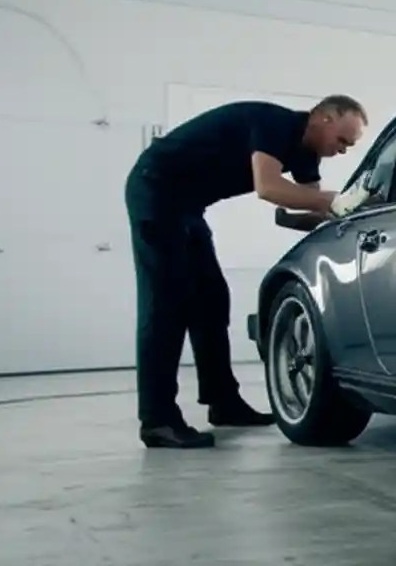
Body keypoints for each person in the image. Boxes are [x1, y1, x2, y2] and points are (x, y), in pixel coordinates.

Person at [124, 95, 373, 449]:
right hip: (155, 189)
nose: (344, 150)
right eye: (343, 141)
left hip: (189, 206)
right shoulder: (274, 122)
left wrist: (354, 212)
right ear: (324, 119)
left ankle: (223, 402)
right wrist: (333, 201)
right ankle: (157, 420)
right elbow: (269, 188)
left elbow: (300, 210)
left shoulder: (307, 154)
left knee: (211, 300)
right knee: (166, 305)